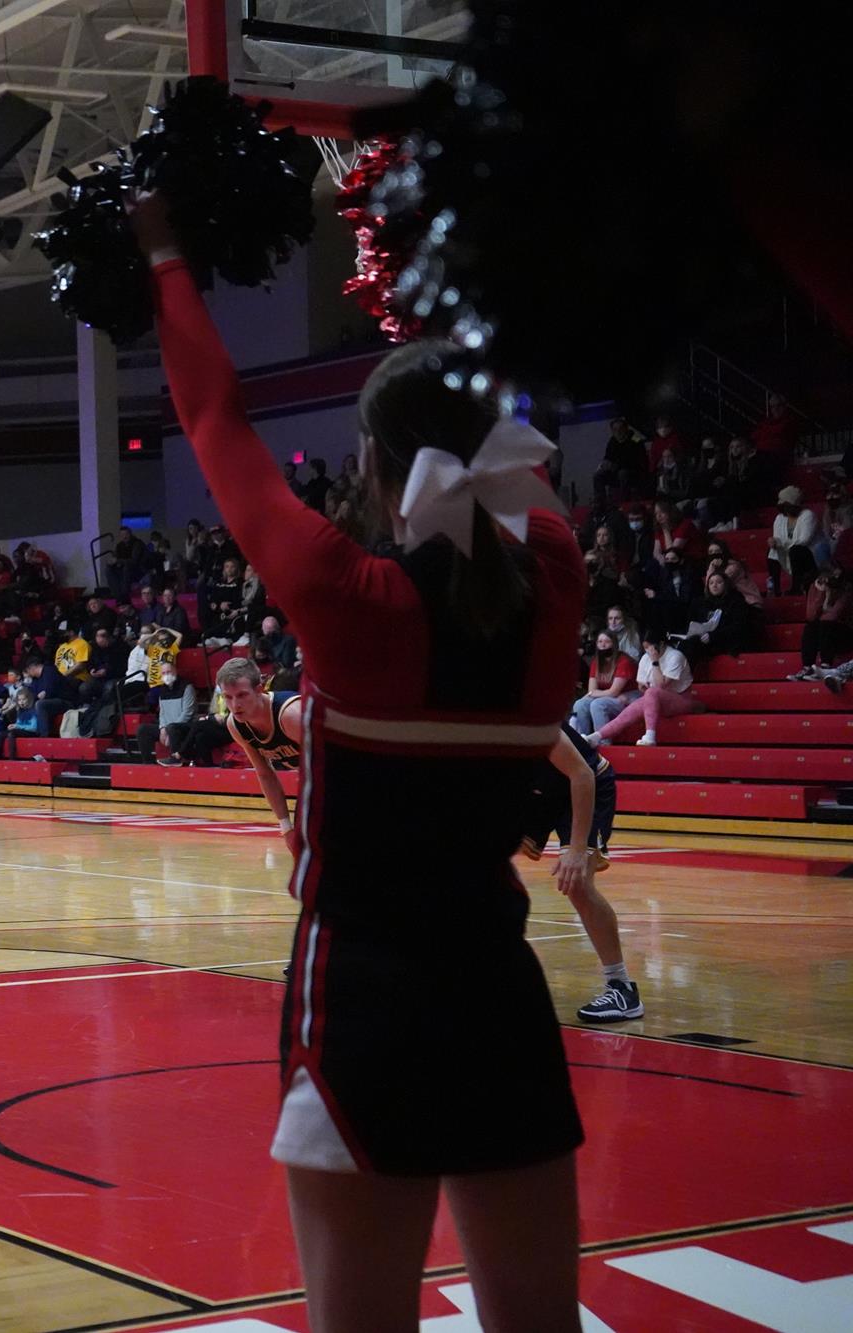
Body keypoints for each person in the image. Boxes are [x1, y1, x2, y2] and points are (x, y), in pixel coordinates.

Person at [138, 198, 587, 1331]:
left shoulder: (347, 593)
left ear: (374, 464)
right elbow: (508, 476)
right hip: (500, 994)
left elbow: (208, 411)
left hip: (363, 1004)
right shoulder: (555, 580)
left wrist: (162, 250)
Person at [519, 724, 644, 1023]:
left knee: (577, 884)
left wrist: (577, 851)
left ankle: (621, 987)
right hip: (540, 789)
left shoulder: (531, 720)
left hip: (585, 782)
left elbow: (582, 775)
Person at [218, 658, 303, 853]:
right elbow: (265, 774)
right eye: (228, 697)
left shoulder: (289, 715)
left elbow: (329, 764)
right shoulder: (236, 724)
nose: (235, 704)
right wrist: (286, 827)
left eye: (241, 695)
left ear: (259, 689)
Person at [590, 636, 703, 747]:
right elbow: (641, 685)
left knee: (652, 692)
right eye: (645, 648)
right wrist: (643, 687)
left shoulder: (675, 656)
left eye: (650, 647)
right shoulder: (645, 658)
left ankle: (650, 735)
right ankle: (598, 736)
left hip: (681, 699)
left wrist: (655, 661)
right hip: (657, 699)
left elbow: (660, 685)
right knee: (629, 712)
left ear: (661, 644)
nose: (648, 651)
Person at [570, 628, 639, 736]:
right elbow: (591, 690)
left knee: (598, 704)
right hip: (610, 696)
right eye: (600, 642)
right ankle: (582, 741)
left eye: (607, 642)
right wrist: (596, 693)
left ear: (614, 644)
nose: (603, 645)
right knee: (580, 704)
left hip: (628, 697)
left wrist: (596, 693)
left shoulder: (623, 661)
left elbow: (614, 692)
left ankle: (603, 743)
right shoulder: (596, 662)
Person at [792, 567, 853, 679]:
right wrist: (821, 593)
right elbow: (810, 616)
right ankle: (807, 667)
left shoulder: (846, 590)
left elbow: (834, 615)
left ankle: (826, 666)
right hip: (823, 633)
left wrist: (828, 597)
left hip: (844, 634)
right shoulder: (815, 588)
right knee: (810, 627)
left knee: (825, 624)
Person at [768, 485, 820, 595]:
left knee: (796, 550)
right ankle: (775, 589)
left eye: (786, 505)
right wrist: (773, 541)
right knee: (771, 551)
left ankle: (796, 588)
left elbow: (804, 540)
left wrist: (781, 544)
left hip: (810, 556)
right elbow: (777, 538)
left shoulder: (808, 515)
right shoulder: (779, 518)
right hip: (788, 552)